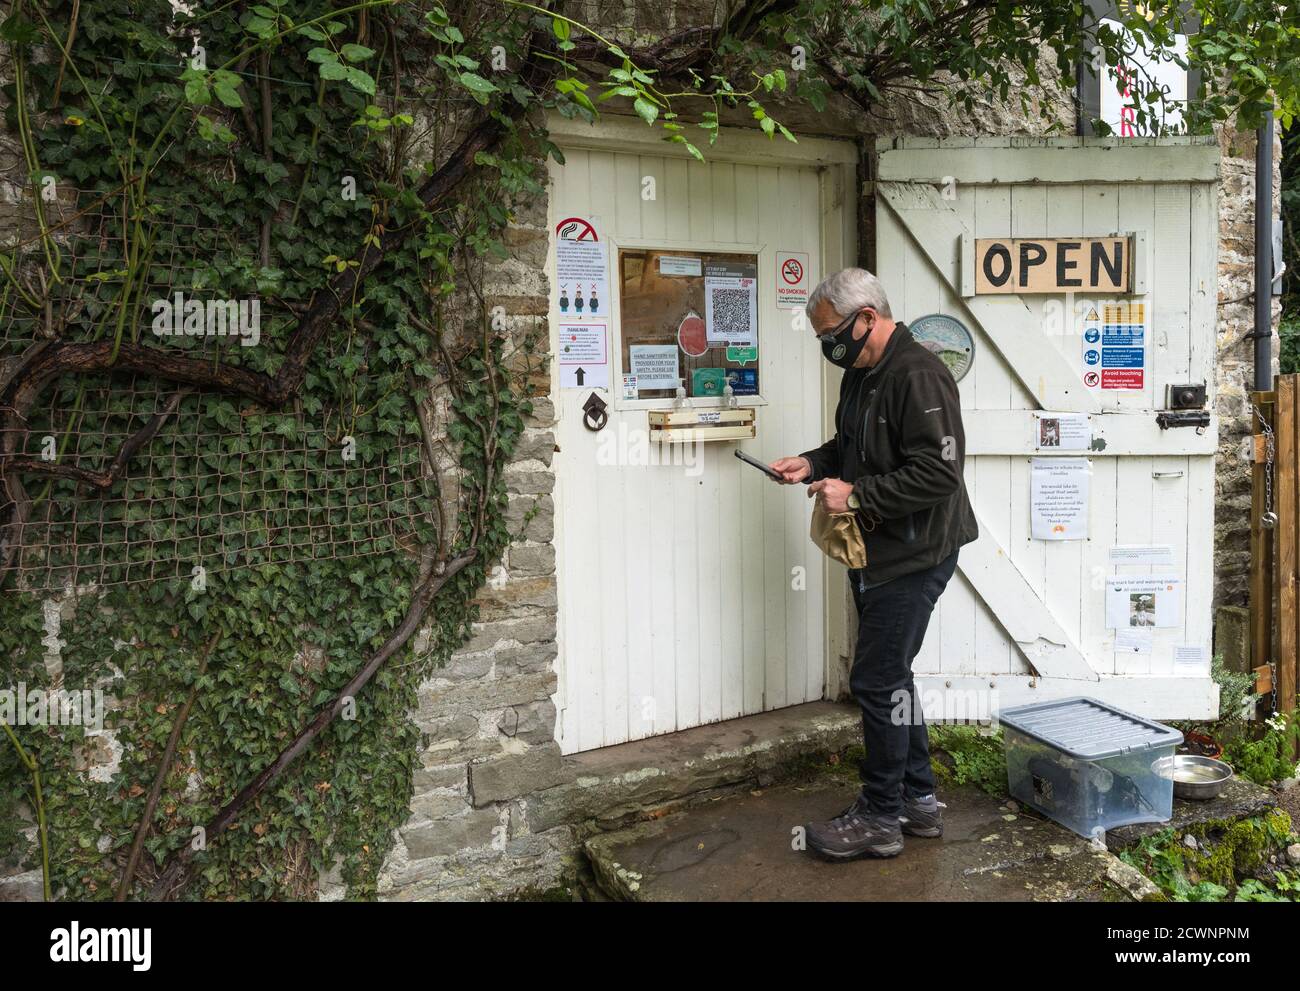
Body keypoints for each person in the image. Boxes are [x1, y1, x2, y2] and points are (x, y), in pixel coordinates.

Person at [769, 268, 978, 860]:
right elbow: (850, 448)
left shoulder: (920, 375)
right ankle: (918, 801)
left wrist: (857, 496)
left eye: (830, 333)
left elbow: (940, 474)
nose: (827, 347)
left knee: (876, 679)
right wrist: (811, 464)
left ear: (867, 318)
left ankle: (881, 818)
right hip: (878, 549)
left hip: (915, 552)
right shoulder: (862, 375)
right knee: (894, 675)